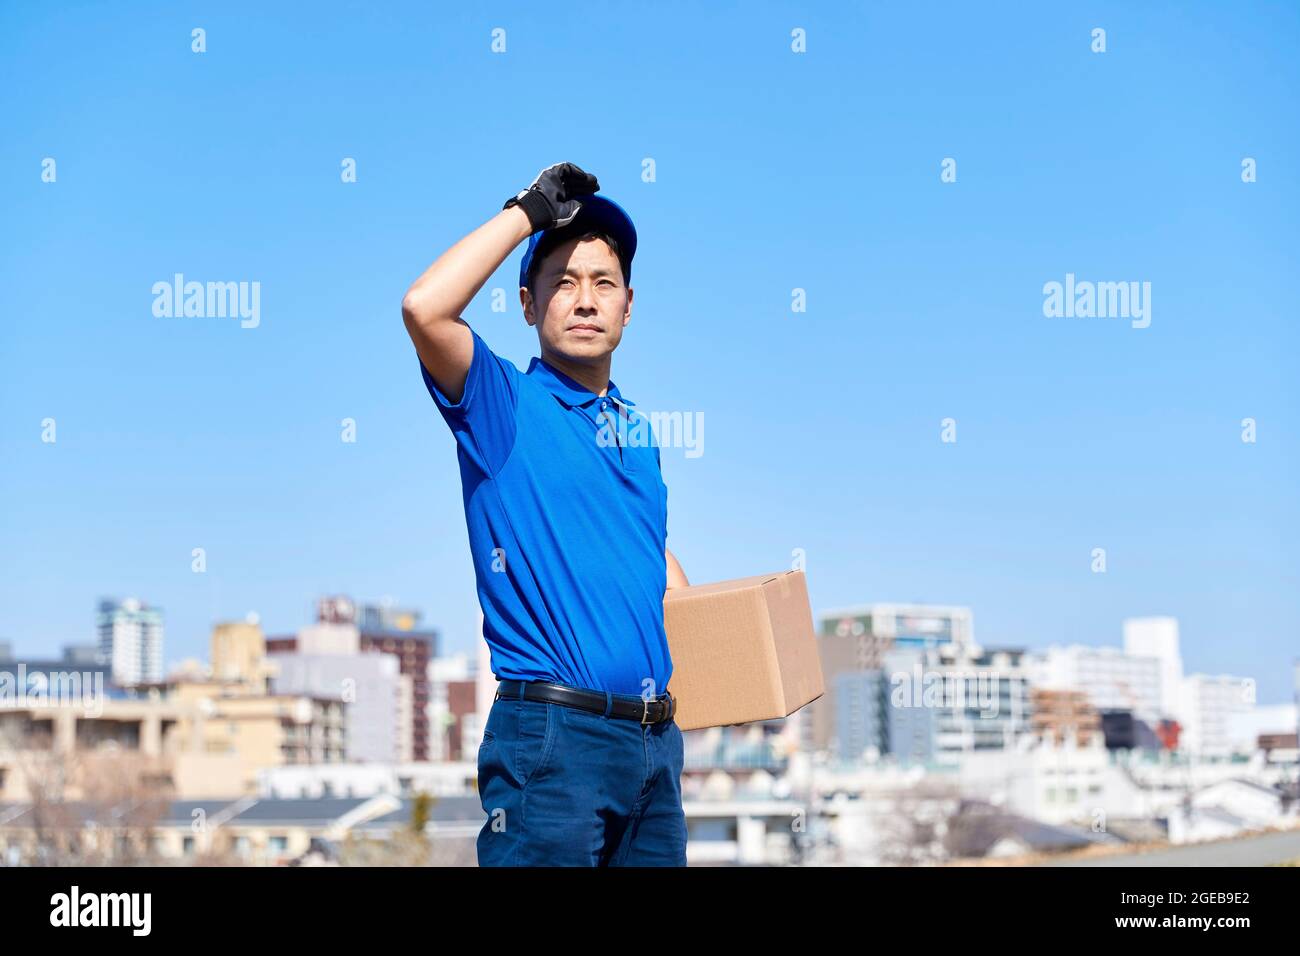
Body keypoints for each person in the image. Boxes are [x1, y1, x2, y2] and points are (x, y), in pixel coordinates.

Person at [401, 162, 690, 866]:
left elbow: (651, 556)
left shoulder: (637, 432)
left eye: (603, 283)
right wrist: (526, 213)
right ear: (528, 305)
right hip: (555, 740)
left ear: (629, 306)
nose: (584, 299)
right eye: (562, 282)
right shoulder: (501, 404)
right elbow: (424, 307)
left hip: (655, 747)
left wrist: (734, 640)